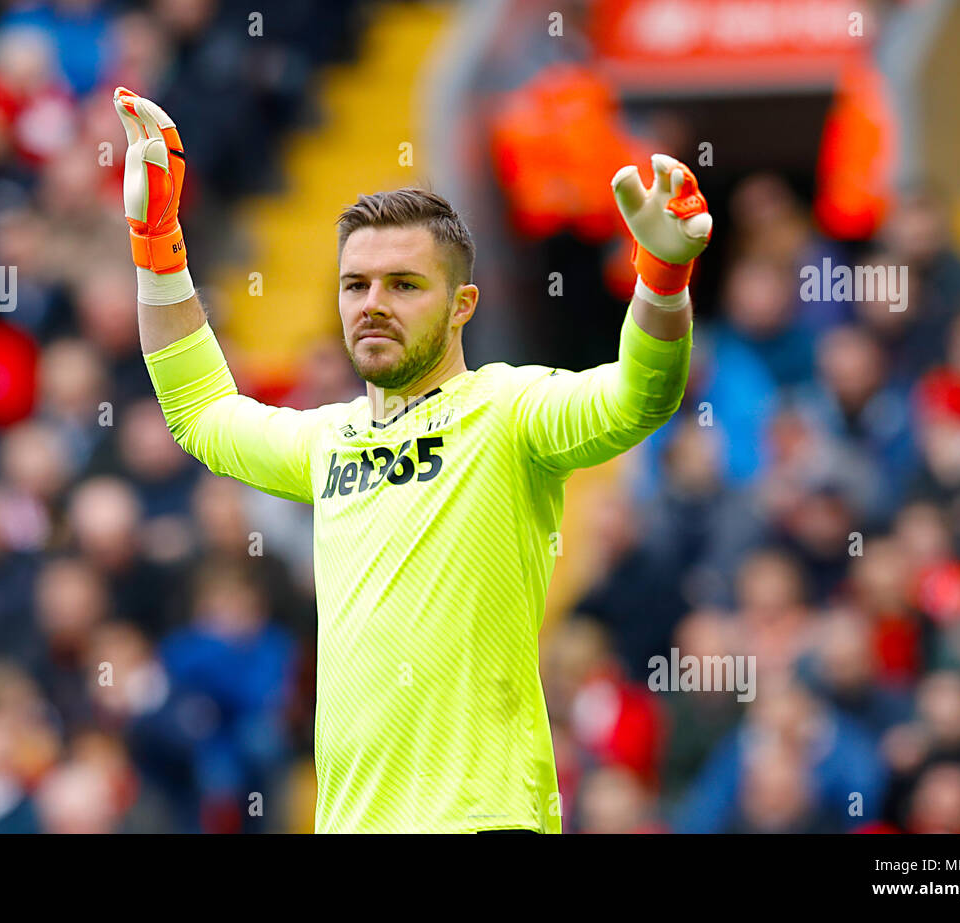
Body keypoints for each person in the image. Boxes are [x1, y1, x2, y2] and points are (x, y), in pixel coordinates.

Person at [113, 87, 712, 833]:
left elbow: (638, 399)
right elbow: (201, 413)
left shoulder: (508, 411)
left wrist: (661, 278)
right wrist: (157, 244)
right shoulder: (326, 441)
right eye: (355, 284)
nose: (372, 303)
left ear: (463, 304)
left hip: (484, 818)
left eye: (403, 284)